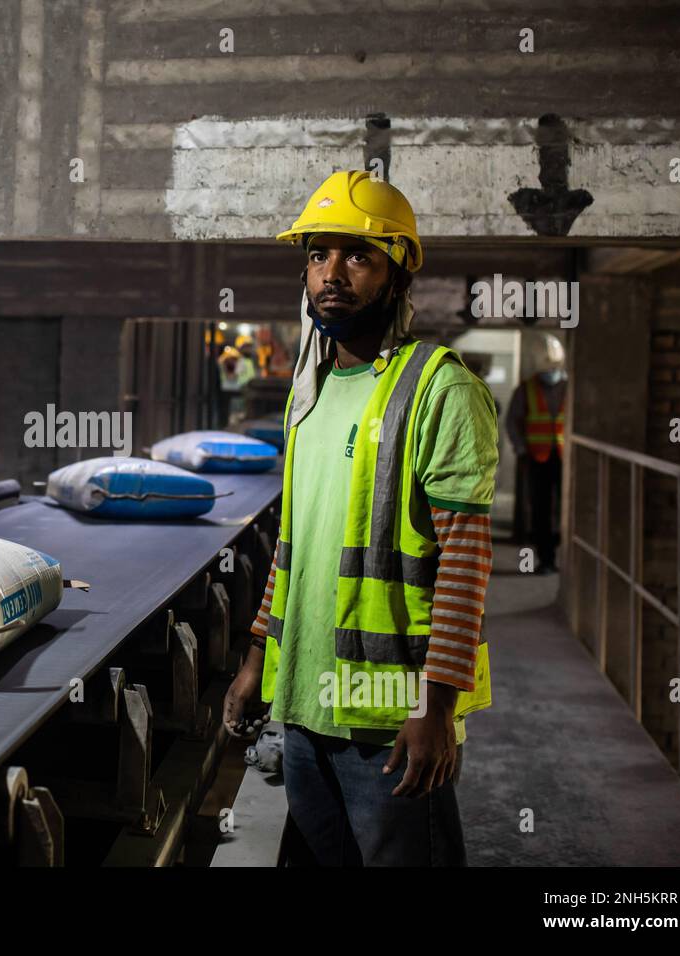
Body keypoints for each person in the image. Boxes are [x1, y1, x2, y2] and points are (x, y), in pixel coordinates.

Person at [222, 170, 500, 866]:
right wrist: (258, 656)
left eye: (357, 255)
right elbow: (294, 546)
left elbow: (465, 564)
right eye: (318, 254)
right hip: (305, 709)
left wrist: (435, 711)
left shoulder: (440, 389)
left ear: (397, 272)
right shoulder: (309, 394)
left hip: (388, 718)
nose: (331, 274)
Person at [507, 344, 567, 572]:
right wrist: (521, 448)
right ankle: (546, 559)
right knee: (540, 508)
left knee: (563, 509)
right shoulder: (526, 389)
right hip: (536, 457)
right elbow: (513, 420)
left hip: (565, 459)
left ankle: (562, 557)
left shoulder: (570, 387)